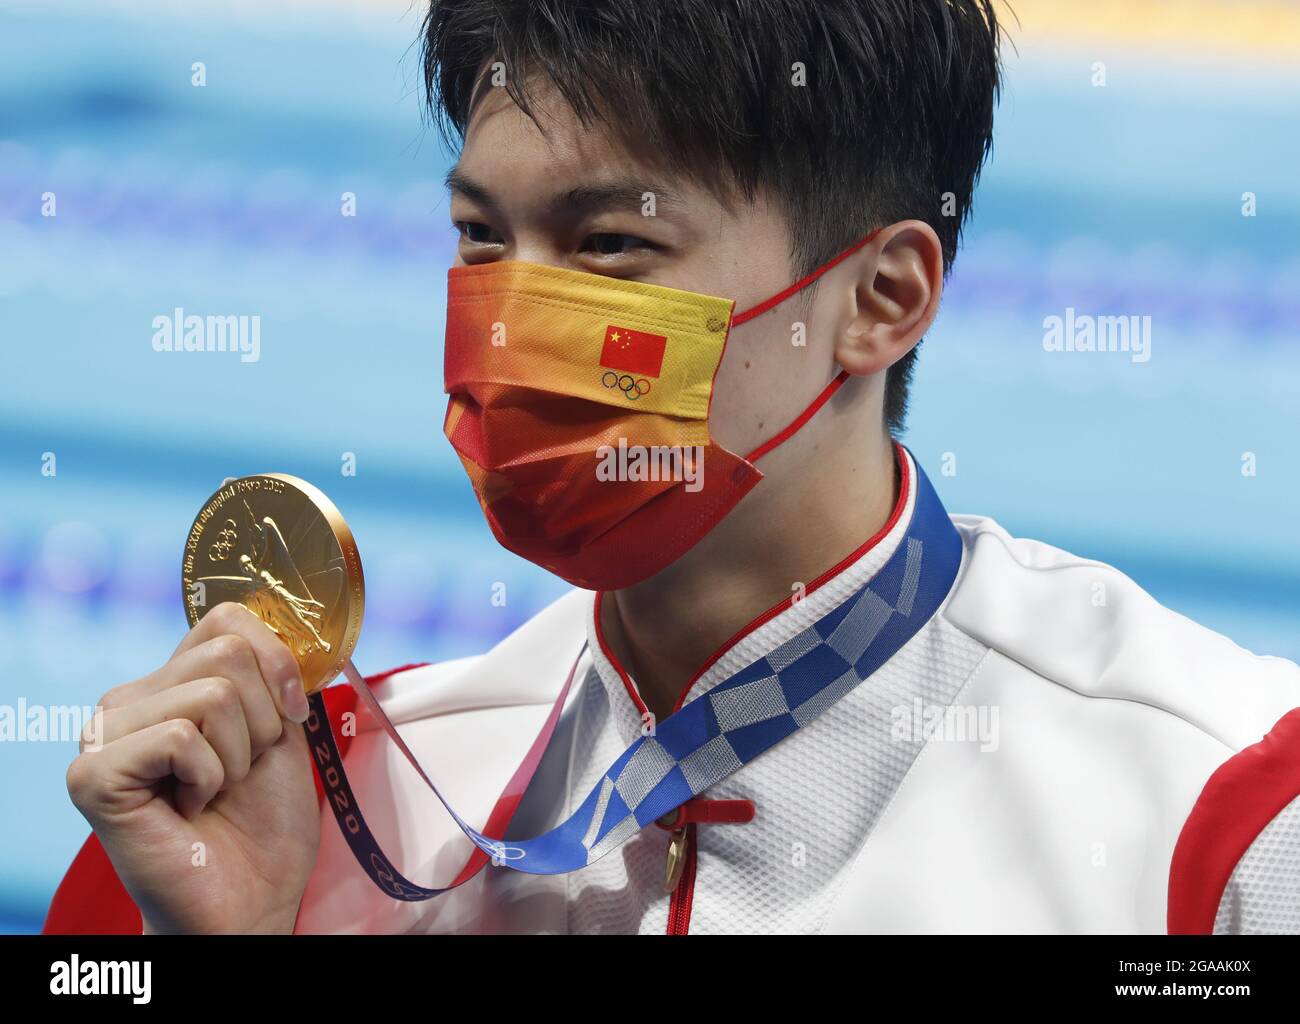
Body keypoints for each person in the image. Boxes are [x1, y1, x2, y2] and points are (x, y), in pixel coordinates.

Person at [46, 0, 1300, 935]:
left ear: (879, 297)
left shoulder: (1220, 819)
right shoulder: (305, 821)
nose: (511, 320)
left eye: (608, 246)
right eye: (481, 238)